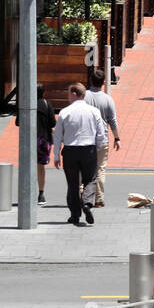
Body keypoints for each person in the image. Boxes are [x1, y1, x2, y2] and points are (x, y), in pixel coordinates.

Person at [52, 83, 106, 226]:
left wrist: (56, 155)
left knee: (72, 184)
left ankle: (74, 215)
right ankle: (87, 203)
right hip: (88, 149)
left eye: (69, 94)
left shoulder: (65, 112)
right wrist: (98, 148)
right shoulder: (94, 111)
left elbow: (57, 135)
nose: (68, 97)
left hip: (70, 150)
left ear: (74, 94)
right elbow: (101, 134)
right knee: (90, 179)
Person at [85, 67, 121, 208]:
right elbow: (112, 121)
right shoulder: (107, 99)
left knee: (85, 168)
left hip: (86, 138)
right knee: (100, 169)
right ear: (103, 82)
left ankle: (83, 195)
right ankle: (99, 199)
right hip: (102, 139)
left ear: (90, 80)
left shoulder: (84, 97)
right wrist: (117, 138)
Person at [14, 82, 55, 204]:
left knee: (27, 166)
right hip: (44, 140)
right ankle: (41, 194)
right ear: (43, 93)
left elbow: (18, 122)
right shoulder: (47, 104)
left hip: (29, 139)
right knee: (40, 167)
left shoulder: (26, 104)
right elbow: (53, 123)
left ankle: (26, 192)